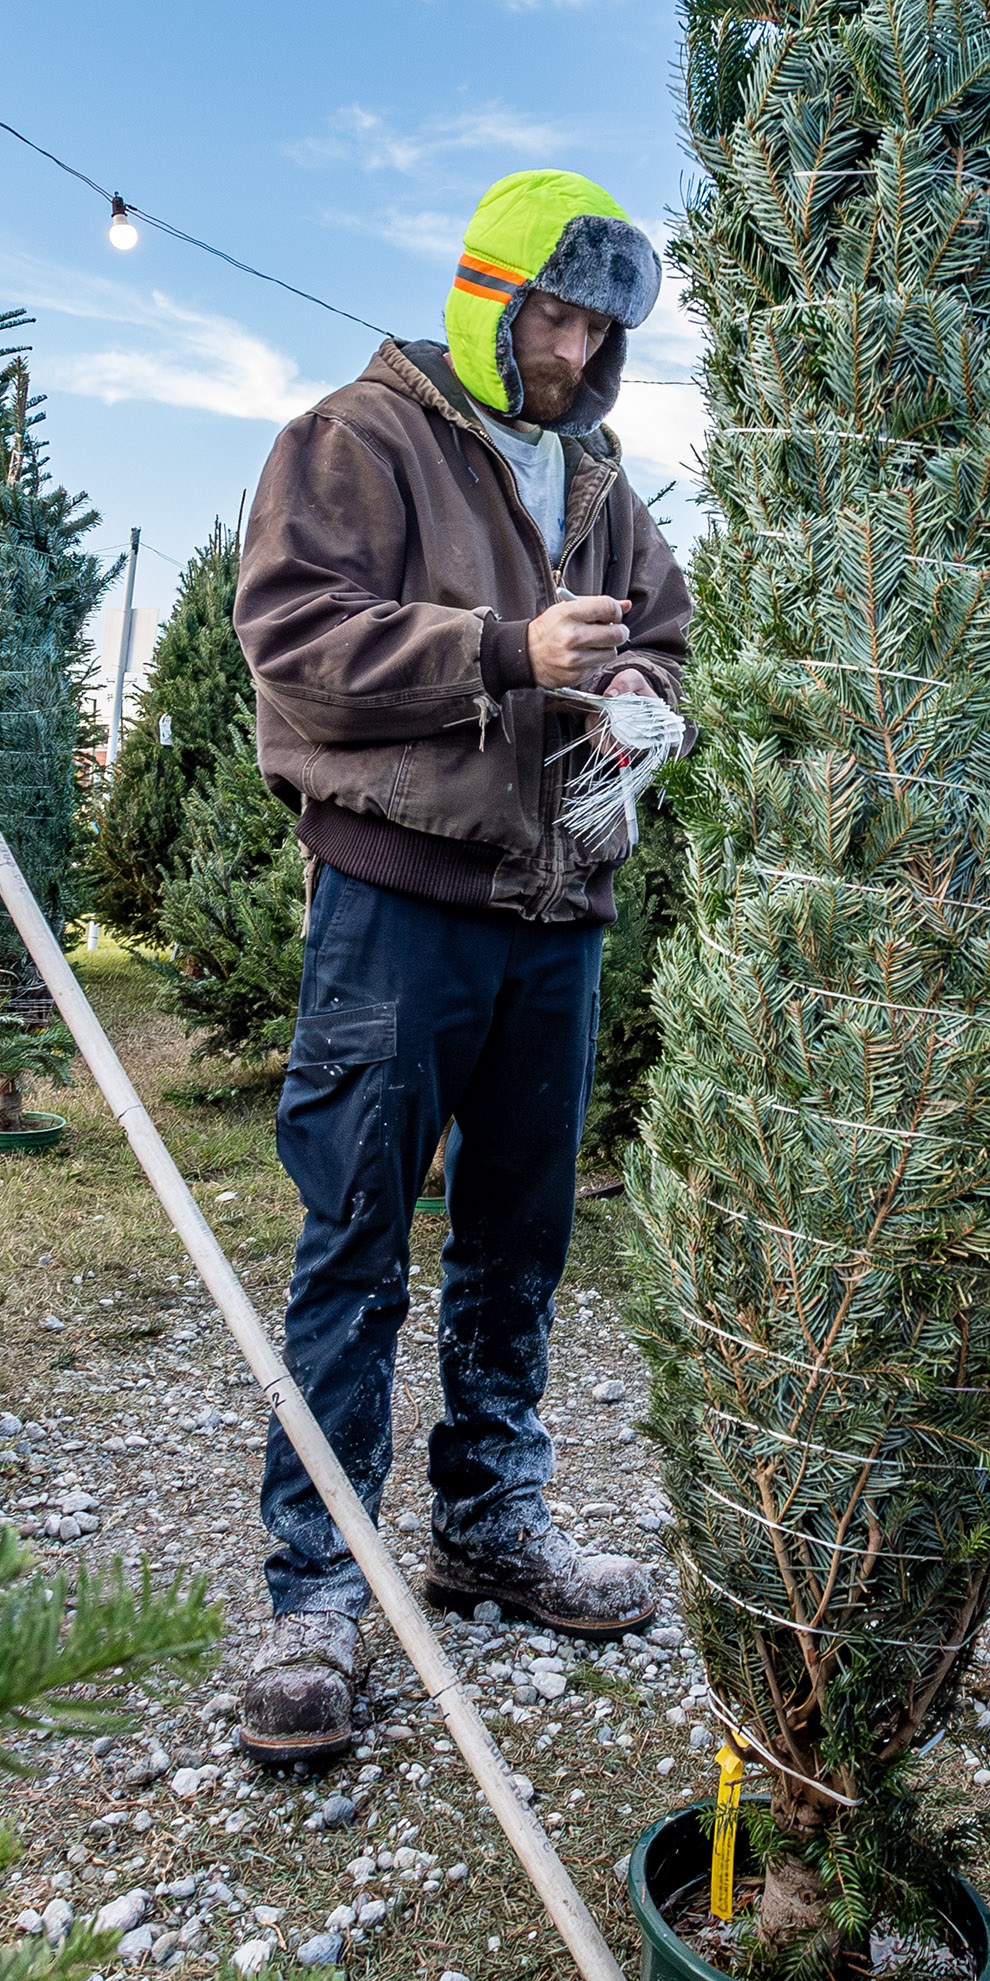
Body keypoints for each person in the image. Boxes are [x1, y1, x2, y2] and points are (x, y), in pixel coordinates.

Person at [229, 169, 690, 1771]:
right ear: (487, 301)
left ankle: (492, 1522)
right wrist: (503, 650)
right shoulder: (353, 442)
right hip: (399, 903)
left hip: (558, 910)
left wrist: (641, 697)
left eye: (599, 327)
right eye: (553, 315)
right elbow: (297, 639)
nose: (572, 352)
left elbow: (662, 635)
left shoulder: (600, 482)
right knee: (356, 1228)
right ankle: (317, 1594)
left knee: (519, 1238)